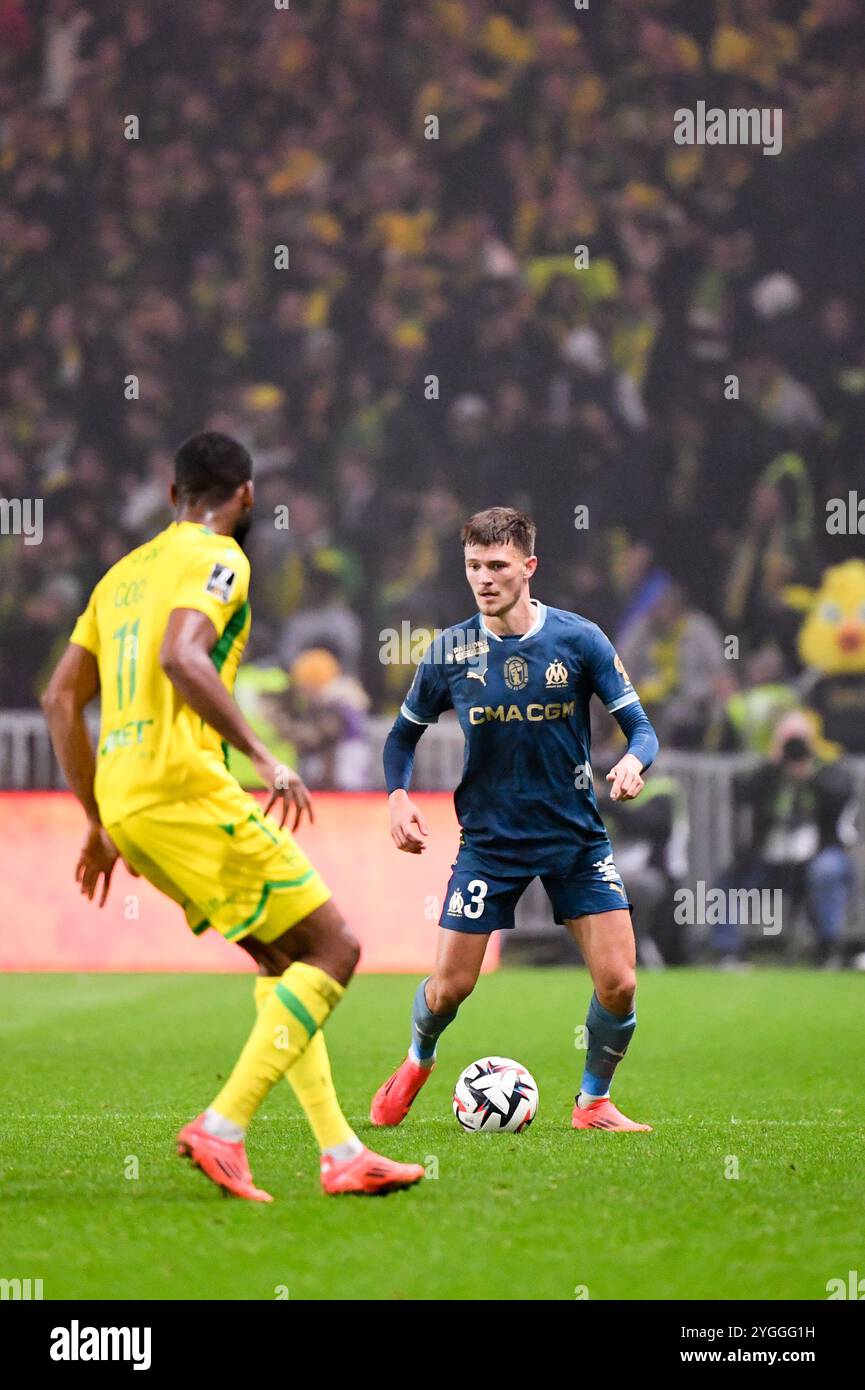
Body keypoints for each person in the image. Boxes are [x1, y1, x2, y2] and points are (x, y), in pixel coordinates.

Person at [40, 431, 423, 1202]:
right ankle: (222, 1126)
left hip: (129, 797)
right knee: (335, 948)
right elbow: (184, 656)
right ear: (244, 495)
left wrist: (98, 818)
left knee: (283, 960)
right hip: (186, 786)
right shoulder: (221, 558)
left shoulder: (119, 575)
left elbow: (58, 700)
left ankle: (340, 1153)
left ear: (173, 489)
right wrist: (262, 753)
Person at [371, 507, 659, 1133]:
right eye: (473, 566)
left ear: (528, 567)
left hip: (575, 839)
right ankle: (418, 1059)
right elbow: (400, 739)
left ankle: (593, 1103)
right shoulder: (450, 651)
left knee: (620, 984)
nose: (484, 578)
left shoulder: (580, 640)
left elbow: (641, 729)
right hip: (490, 843)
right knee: (449, 990)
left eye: (497, 566)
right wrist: (398, 796)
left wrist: (634, 763)